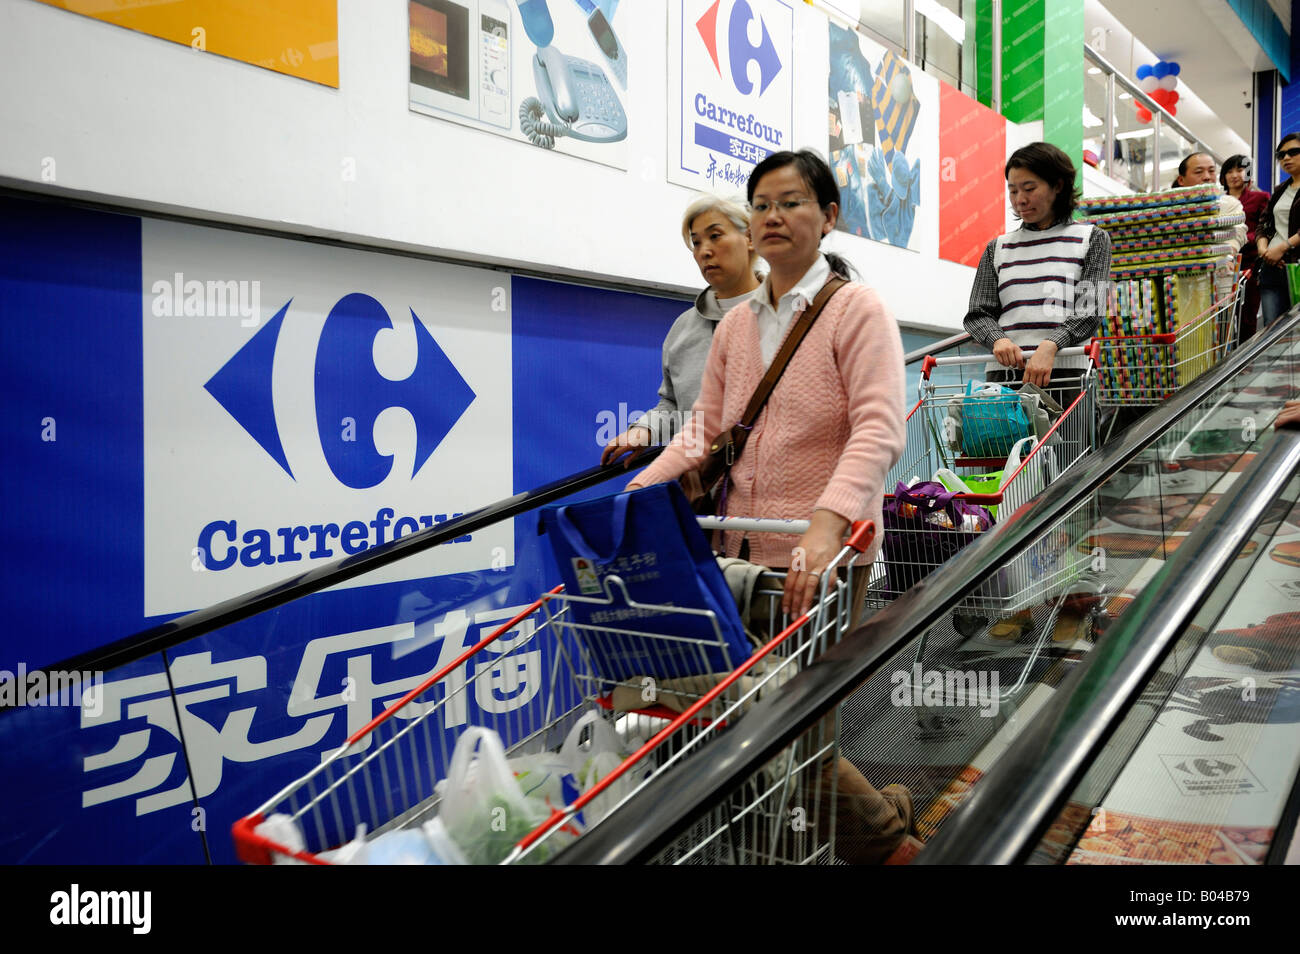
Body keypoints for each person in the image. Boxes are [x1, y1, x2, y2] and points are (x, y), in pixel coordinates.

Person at [629, 148, 911, 865]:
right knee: (759, 723)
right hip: (738, 557)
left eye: (791, 202)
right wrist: (643, 490)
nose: (774, 217)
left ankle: (884, 843)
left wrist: (827, 524)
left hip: (820, 562)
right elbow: (706, 428)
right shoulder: (733, 326)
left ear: (829, 217)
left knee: (794, 733)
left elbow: (879, 426)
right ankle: (882, 823)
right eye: (761, 204)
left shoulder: (857, 310)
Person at [601, 195, 763, 468]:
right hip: (701, 493)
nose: (704, 251)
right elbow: (674, 406)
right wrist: (646, 430)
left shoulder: (792, 317)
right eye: (696, 242)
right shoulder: (683, 329)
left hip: (776, 497)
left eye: (715, 236)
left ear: (750, 238)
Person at [963, 142, 1112, 391]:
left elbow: (1090, 310)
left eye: (1029, 188)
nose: (1020, 200)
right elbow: (978, 314)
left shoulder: (1092, 239)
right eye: (1012, 191)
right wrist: (997, 339)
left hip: (1067, 372)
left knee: (1067, 432)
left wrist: (1051, 344)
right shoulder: (997, 247)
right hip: (1005, 377)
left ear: (1058, 186)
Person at [1255, 132, 1300, 328]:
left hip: (1295, 266)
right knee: (1270, 329)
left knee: (1295, 331)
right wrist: (1263, 250)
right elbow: (1264, 223)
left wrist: (1283, 247)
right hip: (1271, 267)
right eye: (1281, 155)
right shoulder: (1280, 189)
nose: (1286, 158)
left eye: (1293, 152)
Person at [1222, 154, 1269, 340]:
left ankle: (1244, 363)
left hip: (1250, 265)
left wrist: (1242, 239)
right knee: (1222, 318)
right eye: (1229, 171)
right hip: (1222, 265)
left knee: (1247, 316)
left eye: (1240, 170)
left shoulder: (1260, 198)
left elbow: (1264, 228)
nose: (1234, 175)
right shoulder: (1219, 201)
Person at [1172, 152, 1248, 253]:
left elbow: (1238, 231)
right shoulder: (1169, 206)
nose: (1207, 177)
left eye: (1211, 171)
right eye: (1199, 172)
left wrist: (1228, 253)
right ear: (1181, 180)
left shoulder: (1229, 203)